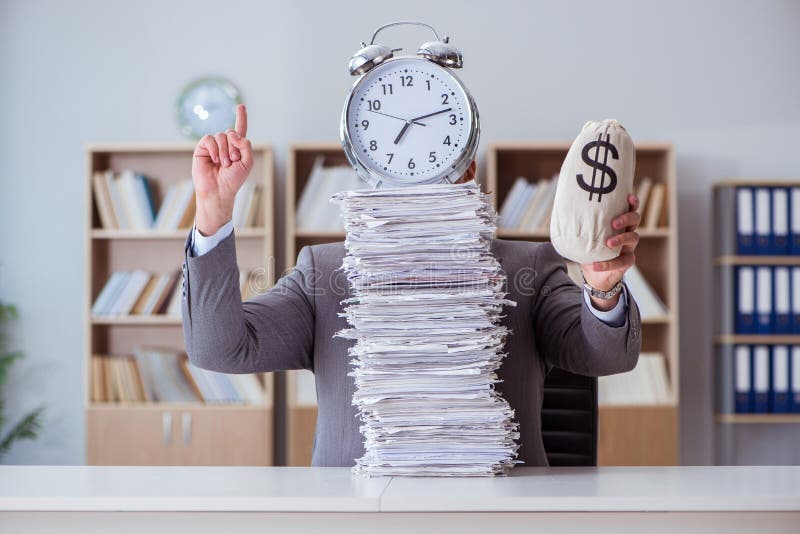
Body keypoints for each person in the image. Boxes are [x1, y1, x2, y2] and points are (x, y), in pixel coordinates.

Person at [181, 104, 642, 467]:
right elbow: (219, 350)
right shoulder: (325, 272)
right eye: (404, 173)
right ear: (373, 175)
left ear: (469, 172)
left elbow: (605, 354)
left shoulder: (530, 266)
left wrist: (602, 287)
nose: (419, 190)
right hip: (360, 515)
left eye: (435, 168)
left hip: (497, 512)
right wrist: (213, 215)